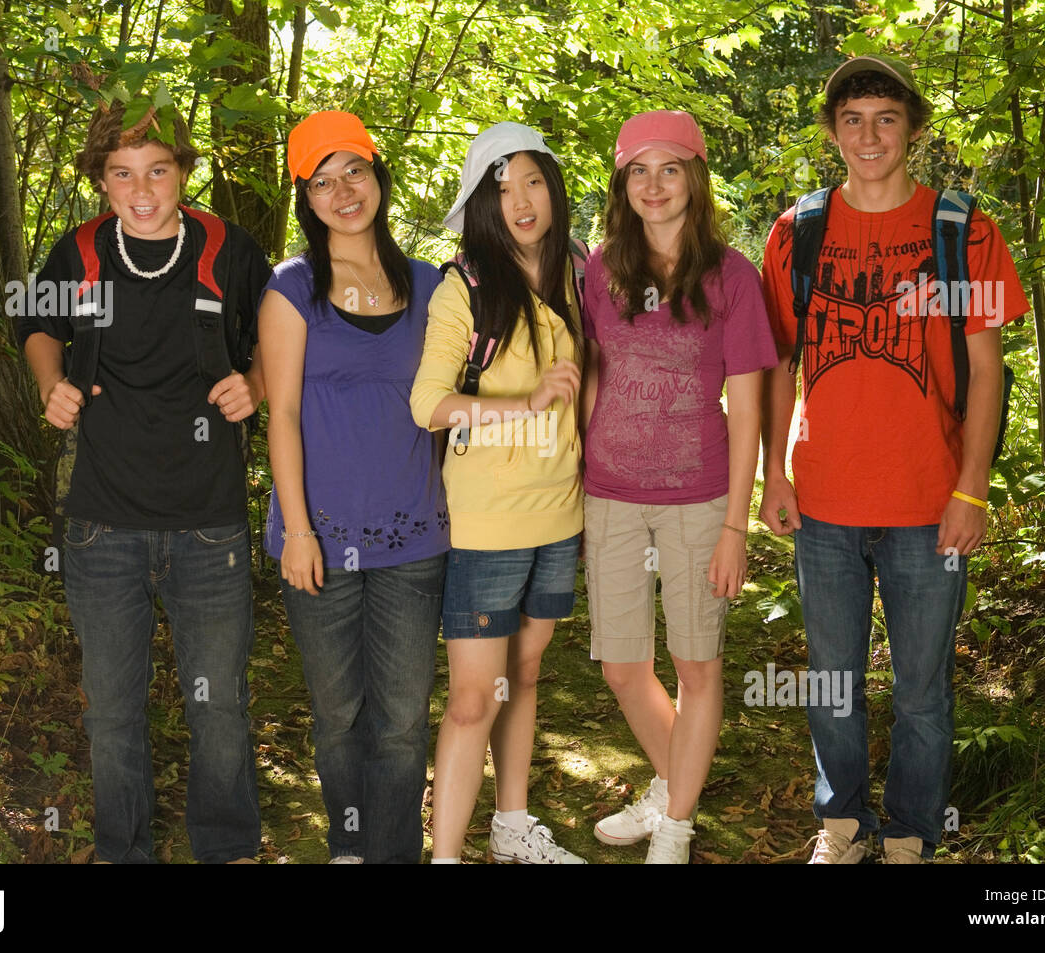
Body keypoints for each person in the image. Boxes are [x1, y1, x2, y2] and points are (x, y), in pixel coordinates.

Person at [758, 54, 1029, 864]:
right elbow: (777, 364)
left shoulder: (963, 229)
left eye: (884, 118)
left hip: (928, 503)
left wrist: (971, 491)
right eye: (851, 120)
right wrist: (775, 472)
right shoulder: (798, 231)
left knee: (922, 691)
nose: (868, 135)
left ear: (911, 127)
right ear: (833, 132)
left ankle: (911, 832)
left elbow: (986, 369)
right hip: (826, 502)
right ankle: (841, 826)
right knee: (832, 683)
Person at [19, 97, 269, 863]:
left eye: (158, 170)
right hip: (101, 525)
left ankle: (226, 847)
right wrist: (49, 381)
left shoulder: (231, 249)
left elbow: (277, 340)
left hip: (210, 520)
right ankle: (125, 850)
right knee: (115, 713)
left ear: (184, 173)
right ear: (101, 180)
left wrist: (254, 382)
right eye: (122, 173)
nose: (142, 189)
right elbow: (35, 322)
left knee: (219, 707)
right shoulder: (79, 251)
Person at [579, 111, 777, 864]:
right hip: (613, 493)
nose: (652, 185)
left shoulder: (733, 276)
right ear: (622, 184)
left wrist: (737, 523)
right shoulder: (602, 269)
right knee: (622, 663)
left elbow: (749, 404)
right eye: (638, 170)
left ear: (694, 177)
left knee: (697, 664)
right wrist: (578, 477)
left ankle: (678, 823)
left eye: (669, 169)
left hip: (699, 496)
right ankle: (672, 781)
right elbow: (594, 376)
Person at [259, 111, 449, 864]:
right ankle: (349, 840)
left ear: (379, 178)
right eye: (322, 181)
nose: (343, 192)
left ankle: (394, 852)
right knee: (338, 712)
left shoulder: (432, 287)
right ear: (306, 197)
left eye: (355, 172)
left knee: (401, 717)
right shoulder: (291, 288)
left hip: (414, 538)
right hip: (319, 539)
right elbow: (279, 416)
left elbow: (455, 402)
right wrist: (299, 529)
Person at [411, 122, 585, 864]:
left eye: (532, 181)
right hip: (487, 523)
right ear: (482, 202)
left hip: (563, 515)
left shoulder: (581, 273)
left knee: (526, 673)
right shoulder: (465, 288)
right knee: (473, 699)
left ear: (552, 186)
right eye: (501, 186)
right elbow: (427, 403)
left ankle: (512, 824)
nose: (520, 199)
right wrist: (523, 405)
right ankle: (446, 855)